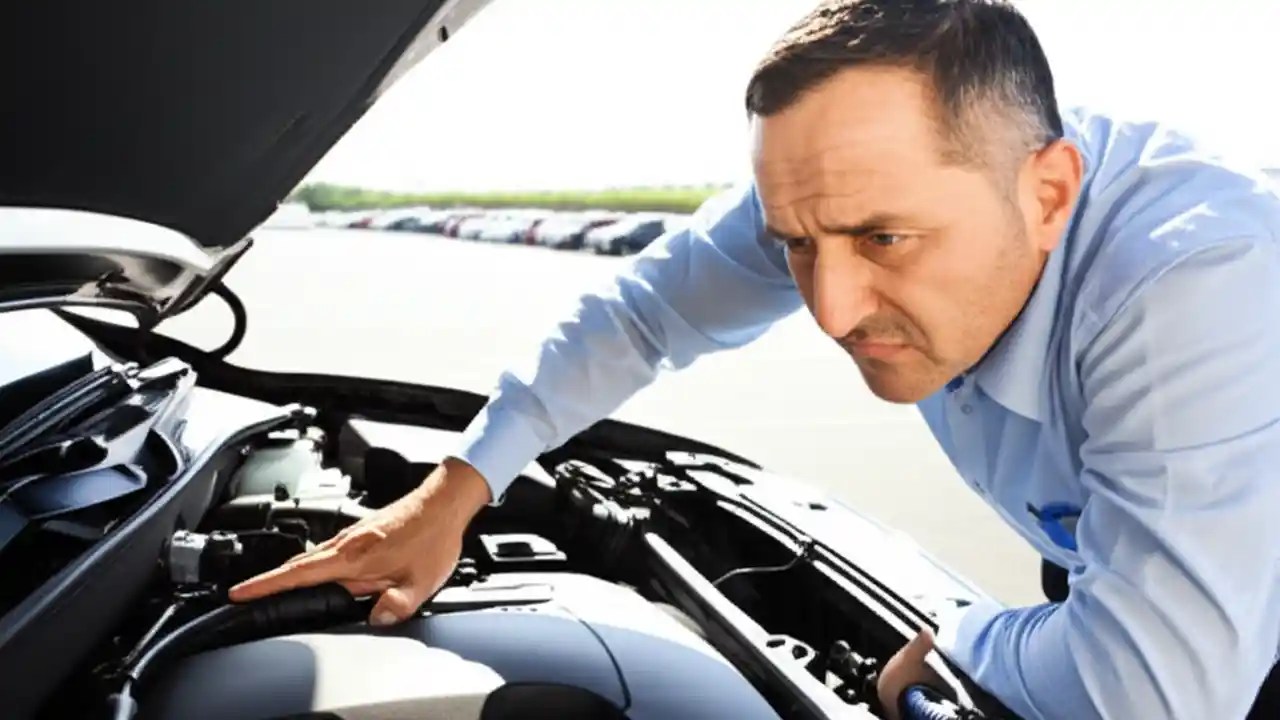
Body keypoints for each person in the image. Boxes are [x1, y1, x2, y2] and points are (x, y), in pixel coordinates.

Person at [229, 1, 1280, 718]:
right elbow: (640, 318)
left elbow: (1158, 691)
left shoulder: (1193, 282)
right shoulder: (846, 187)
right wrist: (454, 490)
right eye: (794, 247)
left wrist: (966, 642)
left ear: (1048, 193)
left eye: (883, 241)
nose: (828, 309)